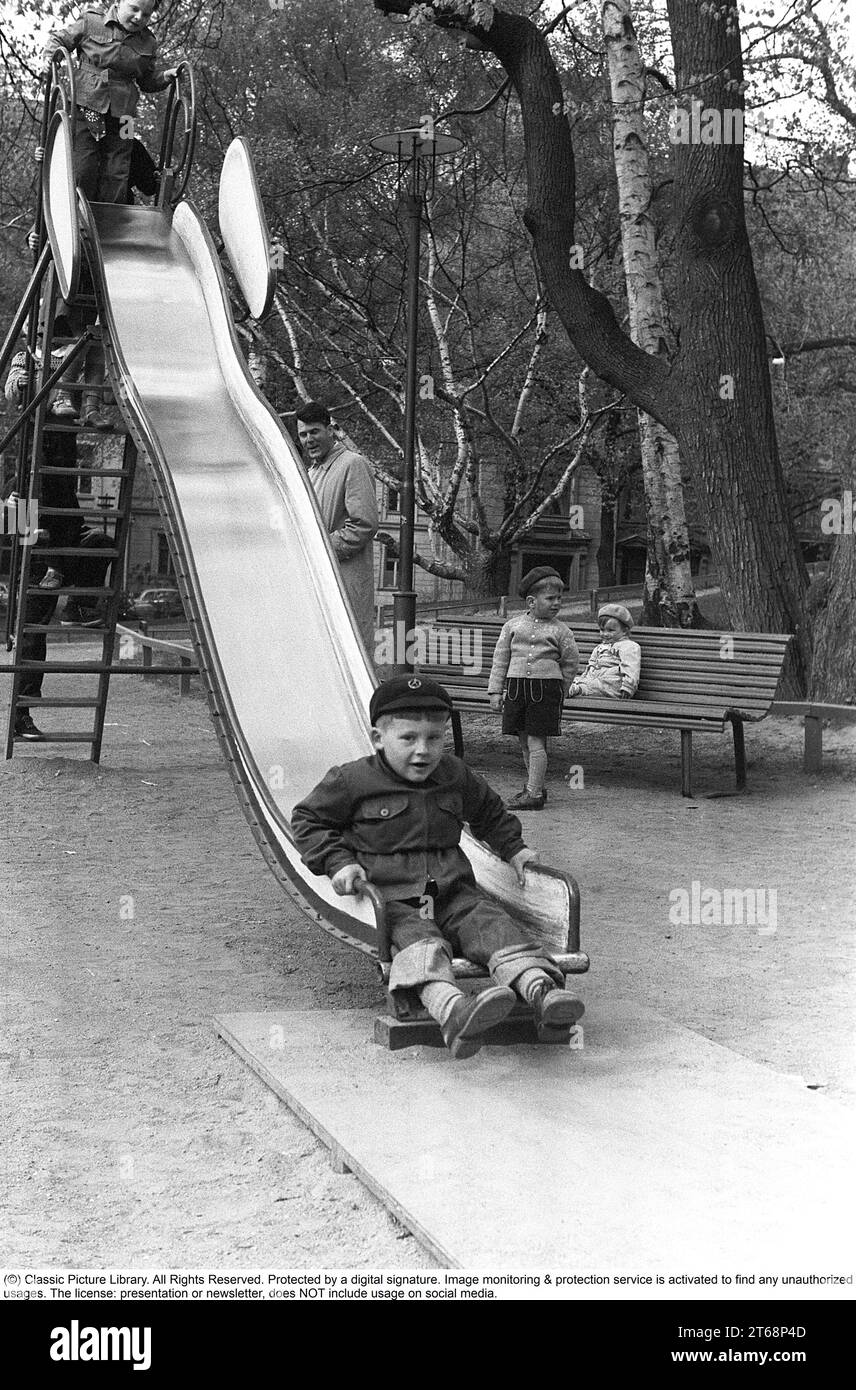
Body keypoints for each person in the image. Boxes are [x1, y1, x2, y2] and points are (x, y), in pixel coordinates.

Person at [291, 676, 583, 1059]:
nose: (423, 751)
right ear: (379, 739)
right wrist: (338, 863)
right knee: (419, 942)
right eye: (408, 739)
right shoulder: (352, 780)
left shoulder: (454, 775)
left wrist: (515, 849)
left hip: (453, 889)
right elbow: (308, 821)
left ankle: (540, 992)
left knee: (490, 923)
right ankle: (453, 1010)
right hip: (396, 897)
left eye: (434, 738)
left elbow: (490, 813)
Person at [2, 433, 112, 741]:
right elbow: (15, 533)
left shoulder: (63, 483)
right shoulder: (21, 482)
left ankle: (76, 605)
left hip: (62, 560)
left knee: (101, 541)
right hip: (38, 568)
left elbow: (76, 525)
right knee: (32, 638)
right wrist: (11, 510)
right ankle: (21, 717)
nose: (62, 459)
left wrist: (83, 537)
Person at [43, 2, 177, 205]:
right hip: (90, 104)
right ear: (120, 2)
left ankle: (110, 220)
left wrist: (165, 77)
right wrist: (49, 57)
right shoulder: (92, 21)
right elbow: (60, 38)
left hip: (125, 114)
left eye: (146, 14)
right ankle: (80, 213)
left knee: (119, 167)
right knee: (85, 163)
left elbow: (147, 81)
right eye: (134, 9)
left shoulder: (148, 41)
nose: (139, 17)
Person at [488, 566, 579, 811]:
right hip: (517, 689)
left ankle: (534, 793)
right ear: (531, 601)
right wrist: (496, 691)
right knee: (524, 741)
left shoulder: (562, 631)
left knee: (537, 740)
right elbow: (500, 660)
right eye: (550, 598)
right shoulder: (512, 626)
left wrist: (562, 690)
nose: (557, 603)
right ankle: (534, 785)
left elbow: (570, 663)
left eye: (559, 598)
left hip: (545, 691)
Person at [295, 401, 378, 655]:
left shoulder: (353, 464)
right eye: (303, 434)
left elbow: (363, 525)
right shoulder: (311, 472)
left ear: (330, 430)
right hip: (316, 581)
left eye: (314, 431)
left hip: (344, 582)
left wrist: (319, 548)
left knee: (348, 653)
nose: (308, 439)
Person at [569, 603, 641, 699]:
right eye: (602, 630)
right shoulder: (600, 647)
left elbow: (631, 668)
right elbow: (591, 665)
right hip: (596, 679)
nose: (605, 634)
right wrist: (584, 677)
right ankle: (574, 687)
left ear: (625, 630)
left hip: (613, 683)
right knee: (580, 681)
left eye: (610, 630)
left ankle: (576, 689)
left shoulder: (629, 646)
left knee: (595, 685)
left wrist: (628, 687)